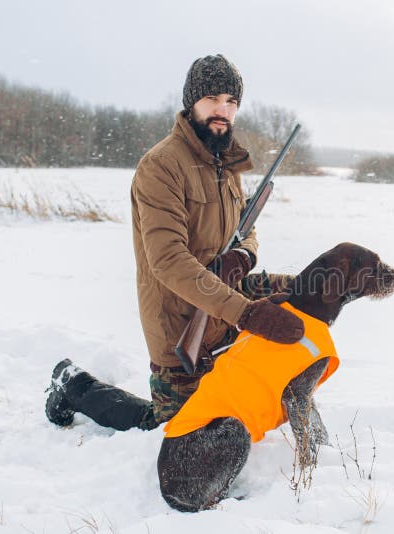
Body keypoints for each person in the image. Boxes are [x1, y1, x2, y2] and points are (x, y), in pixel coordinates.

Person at [45, 54, 304, 431]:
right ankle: (74, 386)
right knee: (174, 430)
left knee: (305, 288)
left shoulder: (226, 163)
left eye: (232, 102)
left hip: (222, 312)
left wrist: (243, 256)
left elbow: (245, 225)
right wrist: (246, 314)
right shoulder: (161, 165)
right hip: (179, 322)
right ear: (191, 101)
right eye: (213, 98)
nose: (223, 110)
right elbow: (167, 260)